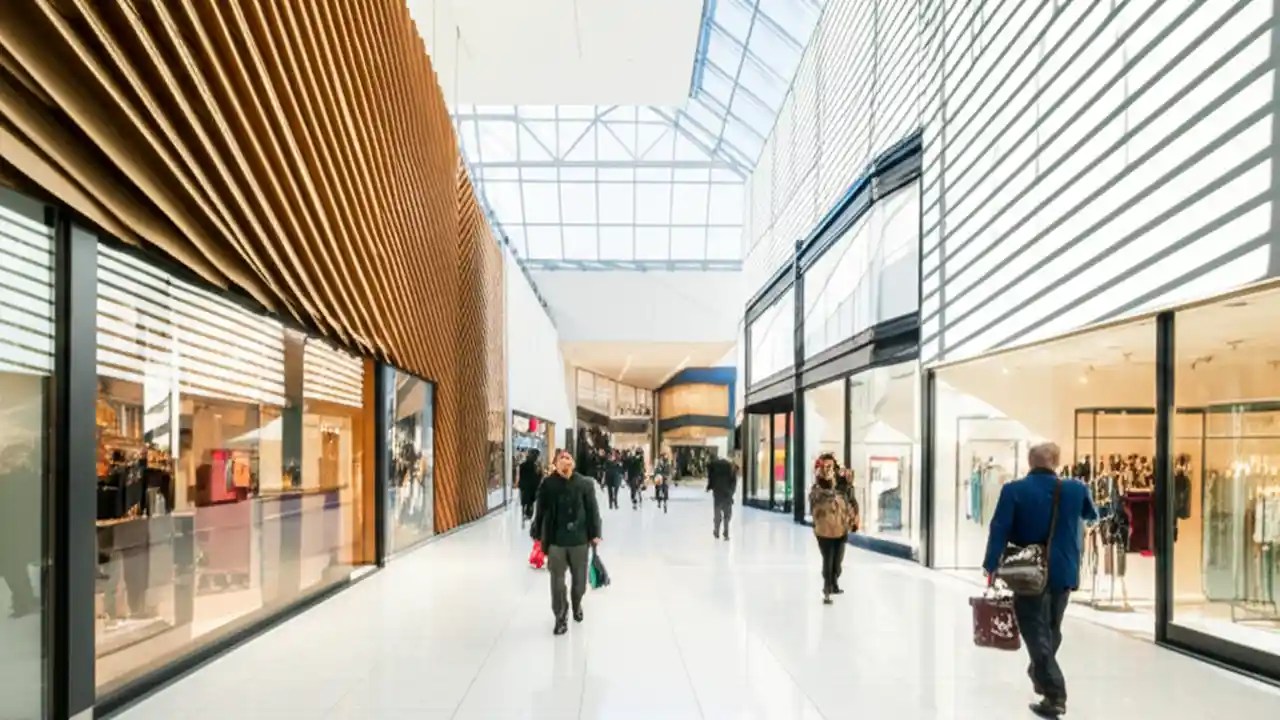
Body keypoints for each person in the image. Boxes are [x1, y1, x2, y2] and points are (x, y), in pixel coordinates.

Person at [983, 442, 1097, 719]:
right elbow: (1091, 515)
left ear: (1030, 462)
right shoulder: (1076, 488)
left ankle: (1054, 692)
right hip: (1063, 569)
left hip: (1028, 571)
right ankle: (1040, 672)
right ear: (1056, 462)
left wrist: (991, 565)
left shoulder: (1014, 490)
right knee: (1052, 627)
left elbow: (999, 528)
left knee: (1035, 630)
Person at [530, 450, 602, 635]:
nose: (565, 461)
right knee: (557, 582)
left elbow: (593, 510)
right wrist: (537, 532)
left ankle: (577, 603)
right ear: (555, 464)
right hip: (556, 541)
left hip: (579, 540)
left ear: (573, 463)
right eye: (561, 458)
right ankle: (560, 617)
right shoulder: (548, 484)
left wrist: (596, 533)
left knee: (579, 583)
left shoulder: (585, 483)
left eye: (568, 458)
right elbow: (540, 510)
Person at [809, 453, 852, 605]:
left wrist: (847, 483)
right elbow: (816, 501)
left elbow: (848, 501)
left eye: (831, 466)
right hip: (824, 531)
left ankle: (834, 583)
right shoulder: (818, 488)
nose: (828, 469)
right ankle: (827, 590)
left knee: (837, 563)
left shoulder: (841, 485)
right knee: (828, 559)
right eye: (825, 466)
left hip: (840, 529)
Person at [706, 455, 734, 540]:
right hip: (727, 493)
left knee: (717, 513)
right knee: (727, 515)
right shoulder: (729, 466)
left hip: (717, 492)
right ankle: (726, 533)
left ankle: (716, 531)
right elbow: (733, 480)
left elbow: (711, 478)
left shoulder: (713, 466)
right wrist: (731, 492)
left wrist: (709, 487)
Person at [517, 449, 542, 524]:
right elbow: (538, 477)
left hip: (524, 487)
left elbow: (521, 476)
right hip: (532, 487)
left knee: (525, 500)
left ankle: (525, 514)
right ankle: (528, 514)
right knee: (531, 501)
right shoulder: (535, 466)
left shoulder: (522, 465)